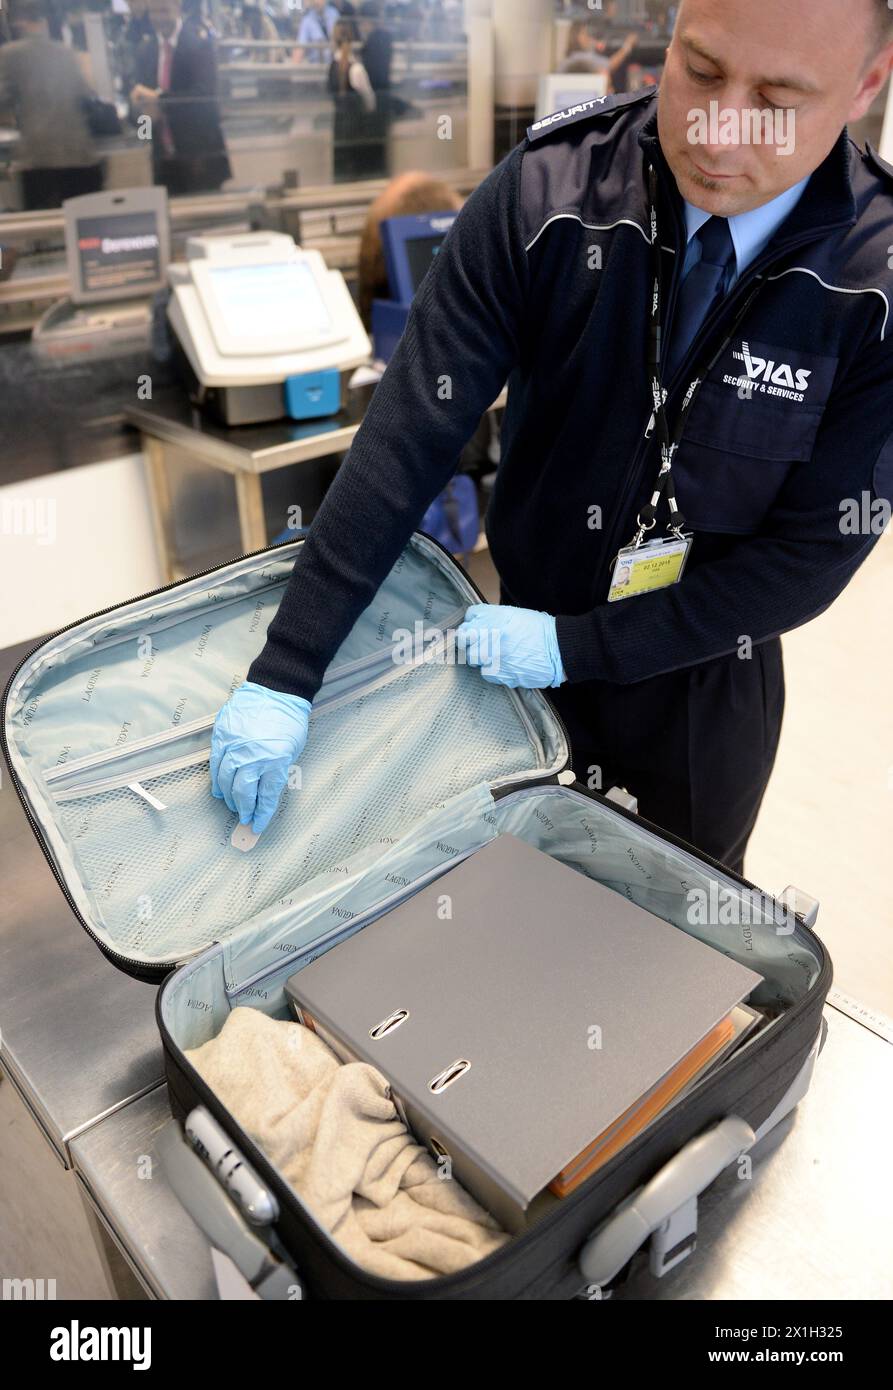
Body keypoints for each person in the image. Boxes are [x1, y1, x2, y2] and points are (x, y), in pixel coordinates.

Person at [209, 0, 893, 881]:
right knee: (497, 912)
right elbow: (408, 435)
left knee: (668, 954)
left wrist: (581, 648)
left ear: (865, 84)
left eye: (777, 97)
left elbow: (803, 559)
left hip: (697, 681)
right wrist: (286, 668)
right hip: (508, 666)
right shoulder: (550, 192)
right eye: (701, 71)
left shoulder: (872, 284)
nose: (717, 135)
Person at [0, 0, 102, 208]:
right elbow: (84, 94)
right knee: (81, 224)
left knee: (43, 227)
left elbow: (2, 98)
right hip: (80, 154)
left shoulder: (10, 54)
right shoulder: (67, 52)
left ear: (19, 22)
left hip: (39, 156)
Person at [129, 0, 231, 194]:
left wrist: (159, 101)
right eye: (154, 12)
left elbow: (205, 98)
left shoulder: (200, 44)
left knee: (206, 216)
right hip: (164, 161)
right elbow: (142, 109)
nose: (159, 18)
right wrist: (144, 130)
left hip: (200, 156)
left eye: (164, 11)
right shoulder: (145, 51)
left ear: (178, 7)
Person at [327, 17, 378, 179]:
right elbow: (370, 103)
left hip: (339, 131)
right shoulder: (356, 69)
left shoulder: (331, 68)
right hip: (358, 135)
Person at [560, 19, 638, 93]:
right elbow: (610, 65)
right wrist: (628, 45)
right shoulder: (581, 58)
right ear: (577, 37)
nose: (588, 37)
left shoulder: (568, 60)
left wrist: (595, 44)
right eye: (585, 33)